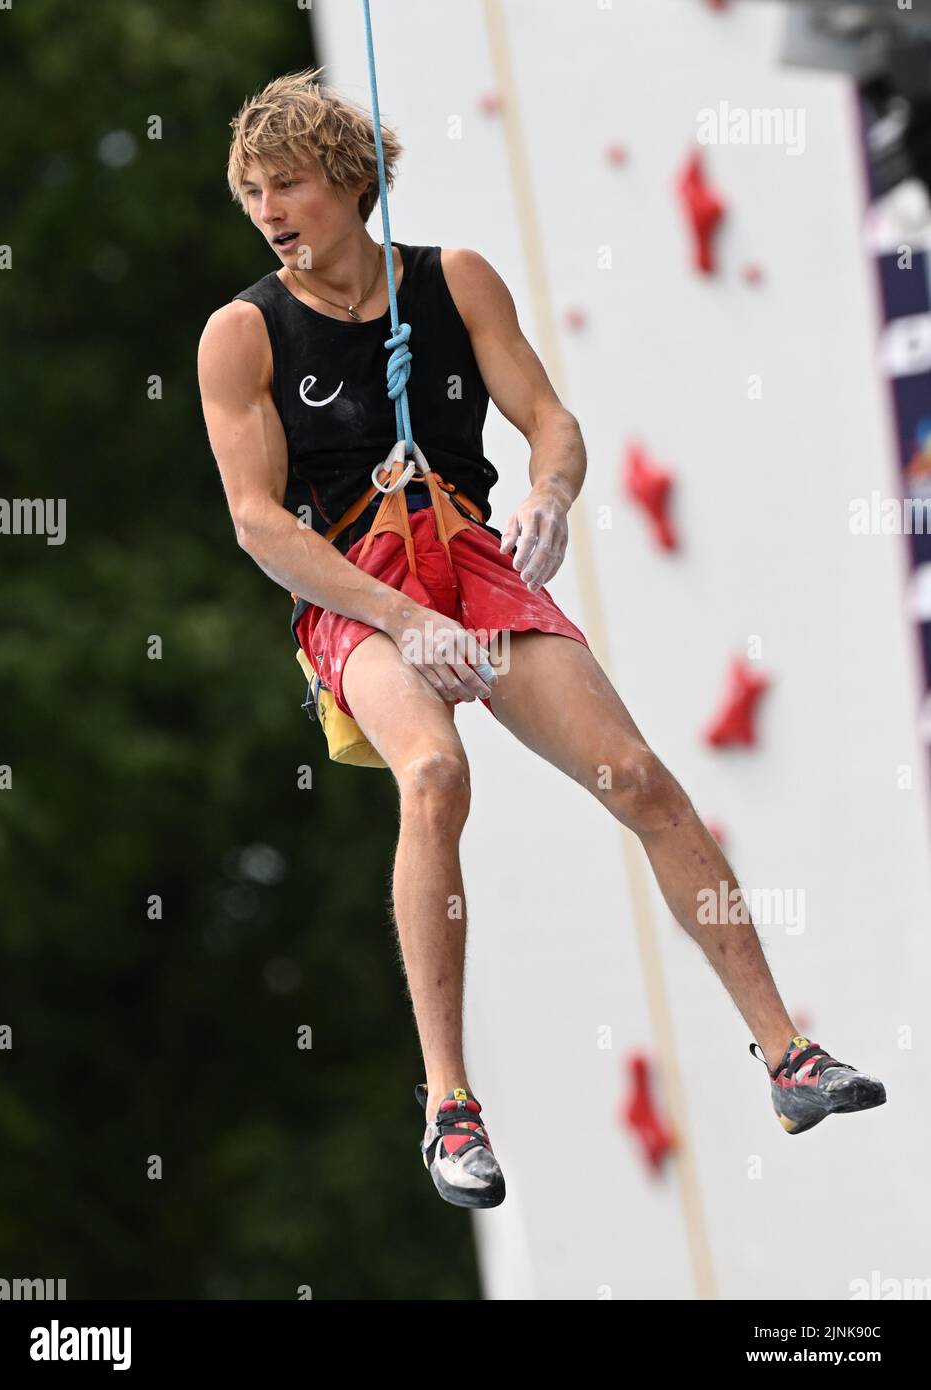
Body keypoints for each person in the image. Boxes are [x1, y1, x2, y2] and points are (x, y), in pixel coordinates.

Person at [197, 69, 886, 1211]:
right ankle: (450, 1104)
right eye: (253, 190)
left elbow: (551, 420)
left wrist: (552, 495)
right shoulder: (242, 335)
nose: (270, 210)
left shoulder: (453, 279)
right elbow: (258, 521)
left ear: (354, 185)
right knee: (433, 772)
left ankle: (787, 1055)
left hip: (469, 554)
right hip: (360, 584)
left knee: (642, 779)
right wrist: (403, 621)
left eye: (292, 186)